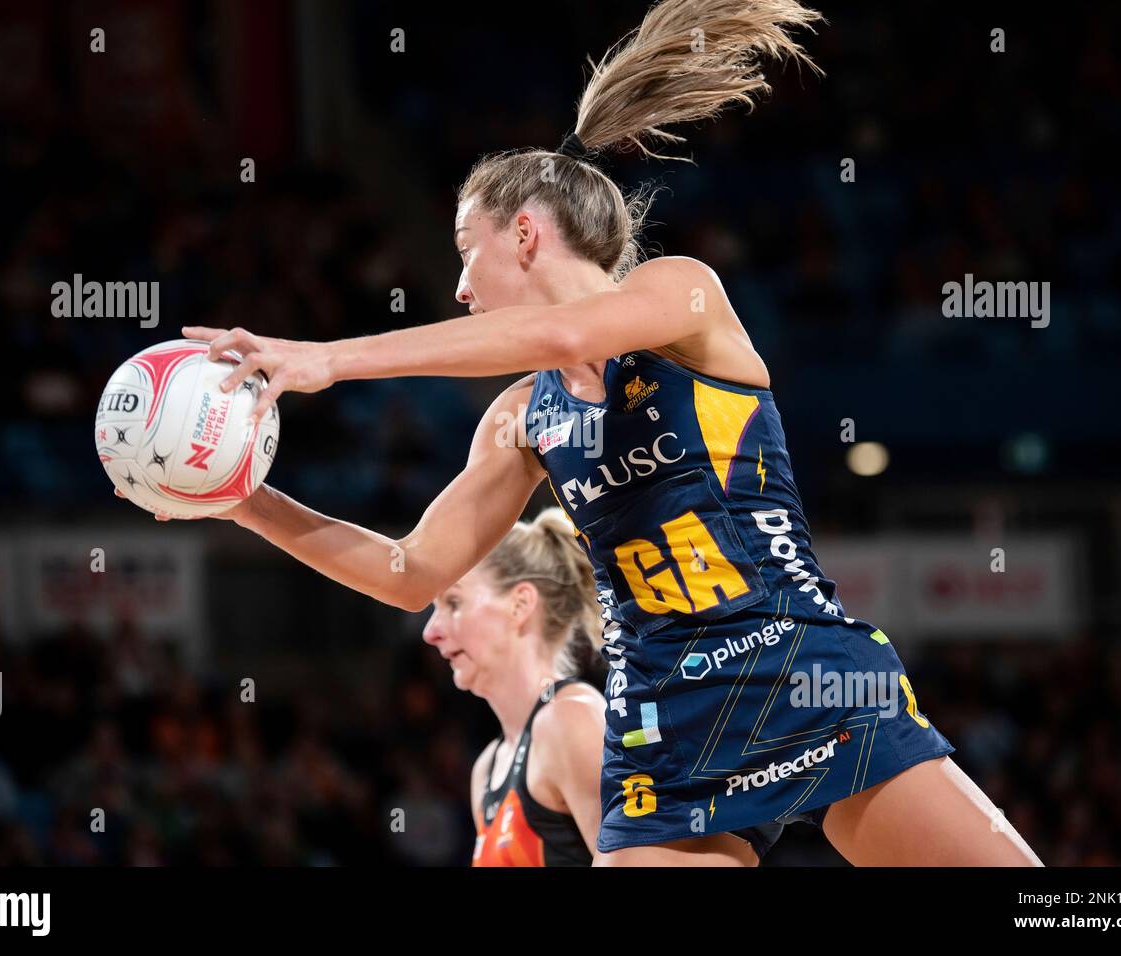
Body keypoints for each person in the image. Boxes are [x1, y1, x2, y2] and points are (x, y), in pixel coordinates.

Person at [159, 0, 1042, 866]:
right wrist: (241, 500)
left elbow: (569, 334)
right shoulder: (522, 416)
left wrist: (330, 359)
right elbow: (410, 573)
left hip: (799, 666)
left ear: (529, 235)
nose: (460, 286)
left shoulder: (681, 298)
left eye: (467, 250)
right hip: (660, 708)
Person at [421, 509, 605, 866]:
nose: (431, 631)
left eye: (453, 603)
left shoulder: (571, 721)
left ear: (520, 605)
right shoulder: (487, 767)